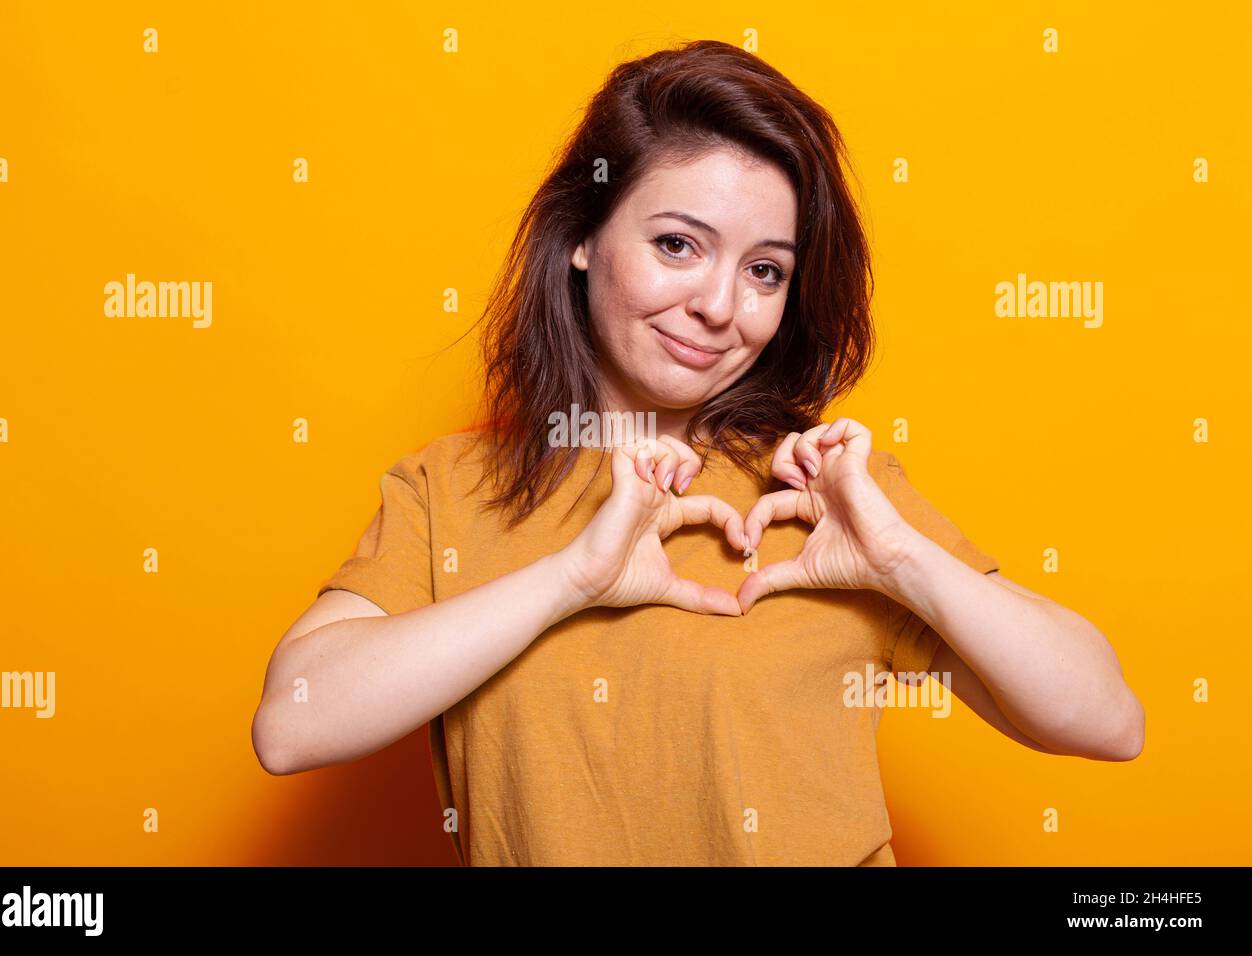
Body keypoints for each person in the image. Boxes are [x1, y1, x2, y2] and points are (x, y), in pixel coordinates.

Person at [251, 39, 1144, 866]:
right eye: (678, 244)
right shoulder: (447, 491)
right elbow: (292, 726)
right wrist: (571, 580)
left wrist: (903, 562)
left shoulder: (825, 489)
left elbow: (1106, 719)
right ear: (583, 239)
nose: (722, 306)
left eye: (766, 271)